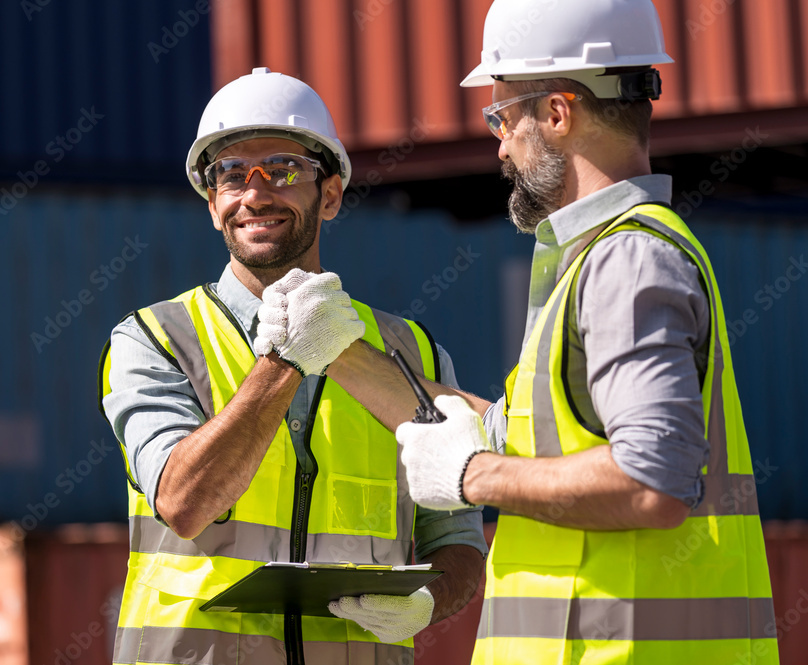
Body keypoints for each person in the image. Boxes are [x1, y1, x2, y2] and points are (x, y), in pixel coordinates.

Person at [256, 1, 779, 663]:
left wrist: (475, 476)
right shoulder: (601, 258)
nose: (499, 144)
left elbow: (651, 481)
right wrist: (338, 351)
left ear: (557, 114)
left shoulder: (625, 259)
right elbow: (508, 434)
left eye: (502, 117)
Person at [97, 67, 487, 665]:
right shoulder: (154, 340)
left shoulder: (414, 352)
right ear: (212, 203)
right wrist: (286, 360)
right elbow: (184, 503)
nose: (254, 195)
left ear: (328, 195)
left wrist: (427, 600)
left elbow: (456, 540)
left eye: (280, 170)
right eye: (230, 175)